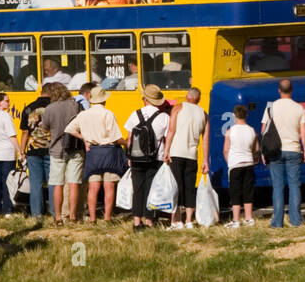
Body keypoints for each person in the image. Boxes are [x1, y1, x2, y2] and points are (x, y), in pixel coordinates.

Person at [63, 86, 127, 222]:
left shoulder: (84, 114)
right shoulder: (108, 114)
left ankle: (92, 218)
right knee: (109, 186)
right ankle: (107, 218)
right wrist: (127, 143)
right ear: (104, 100)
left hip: (93, 152)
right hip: (109, 151)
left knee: (93, 186)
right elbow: (115, 137)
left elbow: (69, 129)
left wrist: (84, 138)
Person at [263, 79, 305, 228]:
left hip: (275, 150)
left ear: (279, 90)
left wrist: (264, 152)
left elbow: (264, 131)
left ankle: (277, 222)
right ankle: (296, 220)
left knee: (277, 187)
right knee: (294, 186)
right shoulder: (299, 108)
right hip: (293, 149)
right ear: (292, 90)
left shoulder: (271, 107)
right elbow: (303, 132)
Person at [124, 84, 170, 229]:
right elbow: (167, 138)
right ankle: (149, 221)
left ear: (145, 99)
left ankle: (137, 222)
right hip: (155, 158)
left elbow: (129, 138)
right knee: (151, 189)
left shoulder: (134, 114)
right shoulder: (164, 117)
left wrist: (130, 156)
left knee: (137, 189)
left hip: (137, 157)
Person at [163, 87, 209, 229]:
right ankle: (189, 220)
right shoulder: (204, 114)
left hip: (176, 152)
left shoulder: (178, 108)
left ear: (187, 96)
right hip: (192, 155)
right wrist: (205, 160)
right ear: (199, 99)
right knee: (190, 188)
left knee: (176, 187)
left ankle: (176, 220)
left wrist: (166, 150)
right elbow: (205, 140)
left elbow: (171, 131)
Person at [42, 82, 81, 225]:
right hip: (75, 148)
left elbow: (45, 128)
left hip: (57, 149)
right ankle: (72, 216)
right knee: (73, 183)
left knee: (57, 184)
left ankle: (58, 217)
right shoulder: (74, 105)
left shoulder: (50, 108)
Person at [19, 85, 54, 221]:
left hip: (33, 151)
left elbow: (24, 133)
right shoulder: (54, 107)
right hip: (51, 149)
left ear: (41, 92)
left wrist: (22, 151)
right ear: (50, 93)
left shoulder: (29, 108)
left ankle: (36, 214)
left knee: (35, 183)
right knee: (53, 182)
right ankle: (54, 212)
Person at [223, 104, 259, 228]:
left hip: (235, 164)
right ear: (246, 115)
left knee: (235, 192)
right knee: (248, 191)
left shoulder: (230, 131)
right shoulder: (251, 130)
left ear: (234, 116)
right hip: (248, 163)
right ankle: (249, 219)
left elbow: (226, 150)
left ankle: (236, 220)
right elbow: (256, 148)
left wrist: (230, 162)